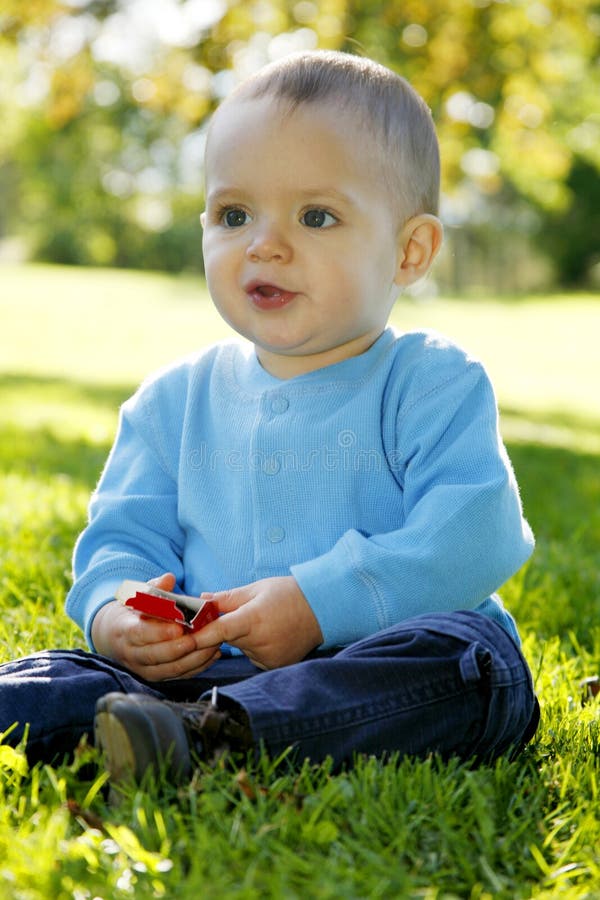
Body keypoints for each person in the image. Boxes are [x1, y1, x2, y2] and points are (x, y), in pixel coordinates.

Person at [0, 50, 539, 786]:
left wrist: (321, 606)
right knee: (59, 673)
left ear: (409, 251)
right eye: (234, 214)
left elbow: (477, 534)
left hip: (369, 667)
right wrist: (117, 618)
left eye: (316, 216)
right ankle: (172, 728)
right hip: (193, 670)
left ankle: (209, 734)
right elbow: (121, 543)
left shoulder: (431, 381)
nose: (264, 243)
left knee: (471, 660)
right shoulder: (172, 400)